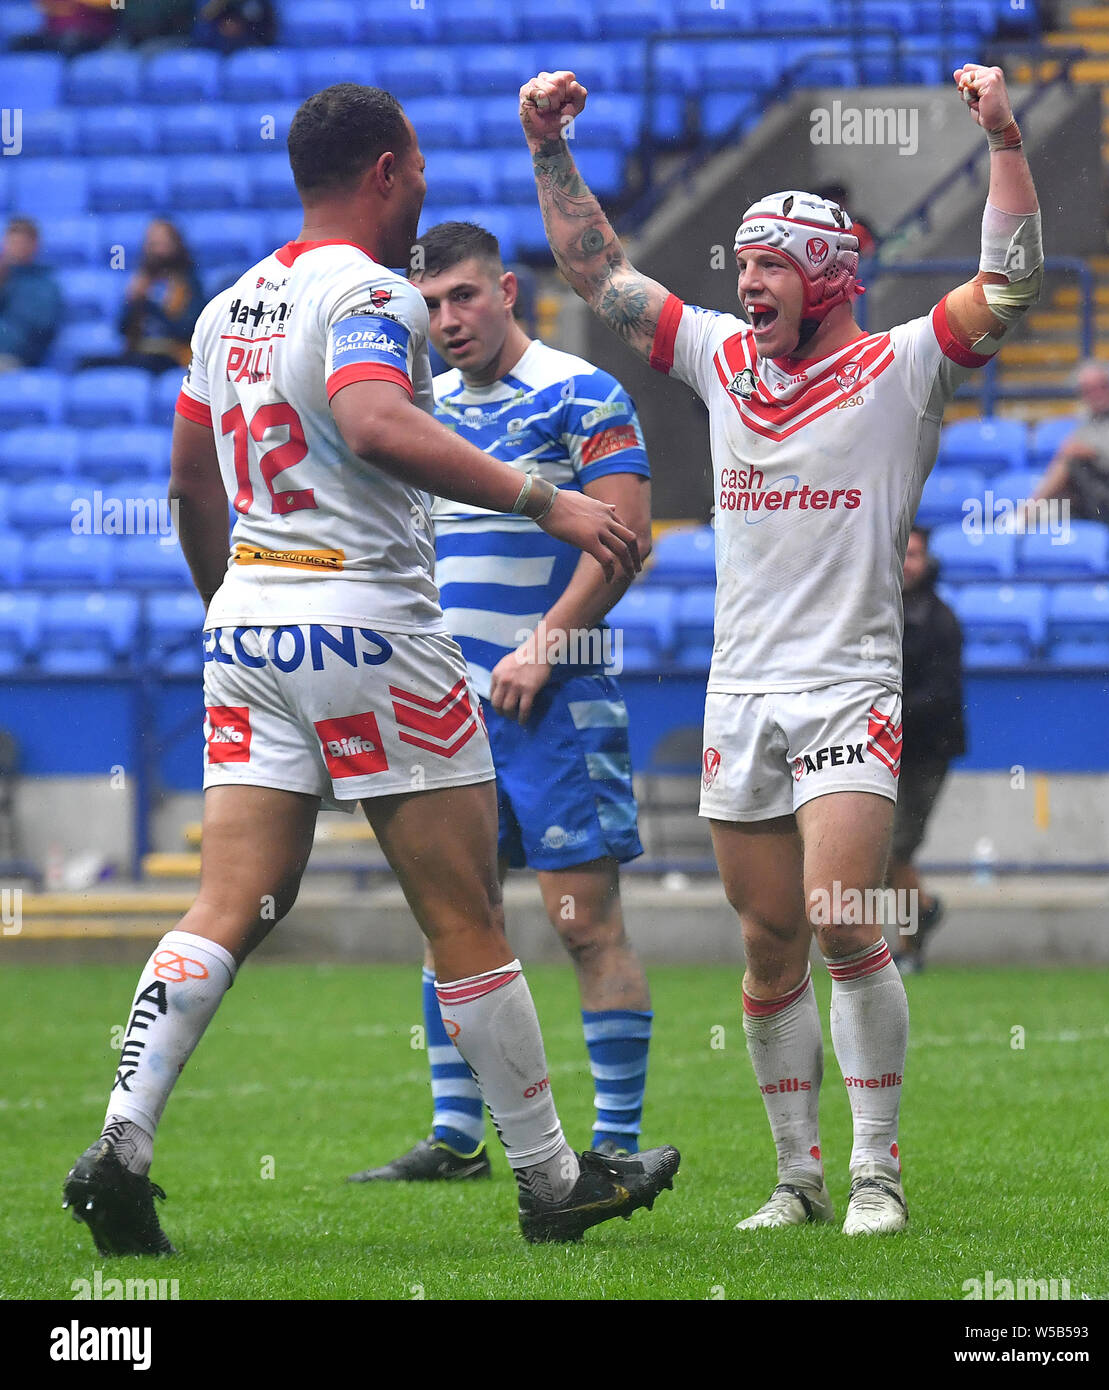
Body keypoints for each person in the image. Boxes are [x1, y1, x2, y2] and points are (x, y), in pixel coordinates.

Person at [62, 83, 680, 1256]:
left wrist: (231, 609)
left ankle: (122, 1139)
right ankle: (552, 1179)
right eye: (422, 171)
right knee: (460, 912)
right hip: (370, 622)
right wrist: (543, 500)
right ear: (387, 172)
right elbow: (375, 423)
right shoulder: (368, 293)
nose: (426, 193)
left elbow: (192, 481)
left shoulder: (229, 301)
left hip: (247, 619)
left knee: (229, 902)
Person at [519, 60, 1041, 1234]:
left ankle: (875, 1173)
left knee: (843, 913)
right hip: (738, 690)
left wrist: (1002, 136)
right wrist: (548, 148)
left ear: (826, 276)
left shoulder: (900, 365)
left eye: (768, 266)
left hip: (848, 682)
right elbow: (599, 275)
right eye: (741, 266)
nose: (746, 284)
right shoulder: (718, 356)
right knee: (764, 947)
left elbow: (1007, 288)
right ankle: (795, 1177)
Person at [347, 221, 655, 1182]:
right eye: (430, 305)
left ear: (508, 290)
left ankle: (611, 1142)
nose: (446, 320)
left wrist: (543, 647)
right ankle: (455, 1136)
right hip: (447, 705)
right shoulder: (415, 412)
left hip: (553, 706)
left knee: (581, 921)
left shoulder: (581, 391)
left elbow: (627, 540)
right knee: (454, 916)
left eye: (463, 298)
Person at [887, 526, 966, 975]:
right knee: (885, 856)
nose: (907, 563)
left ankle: (911, 949)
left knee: (897, 852)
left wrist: (887, 712)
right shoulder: (877, 612)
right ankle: (925, 908)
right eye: (902, 553)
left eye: (914, 554)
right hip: (885, 749)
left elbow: (942, 695)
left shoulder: (940, 620)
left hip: (923, 754)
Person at [82, 220, 206, 374]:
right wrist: (132, 301)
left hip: (172, 354)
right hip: (139, 352)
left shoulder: (189, 282)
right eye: (152, 243)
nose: (156, 250)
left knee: (145, 363)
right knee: (86, 364)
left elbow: (187, 329)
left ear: (176, 245)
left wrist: (152, 305)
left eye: (162, 243)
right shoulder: (143, 279)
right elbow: (121, 330)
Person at [1033, 360, 1109, 525]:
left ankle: (1026, 511)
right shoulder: (1085, 426)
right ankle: (1029, 513)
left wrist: (1095, 455)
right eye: (1089, 390)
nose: (1097, 394)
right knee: (1068, 461)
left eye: (1102, 386)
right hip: (1091, 504)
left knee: (1071, 459)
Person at [0, 217, 63, 370]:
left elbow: (40, 326)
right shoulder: (4, 276)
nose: (16, 248)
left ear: (35, 245)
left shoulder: (46, 285)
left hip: (17, 357)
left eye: (22, 243)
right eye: (12, 243)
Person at [10, 0, 117, 56]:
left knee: (71, 40)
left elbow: (117, 4)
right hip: (54, 34)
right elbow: (44, 6)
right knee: (20, 42)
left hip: (91, 35)